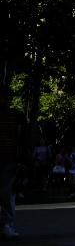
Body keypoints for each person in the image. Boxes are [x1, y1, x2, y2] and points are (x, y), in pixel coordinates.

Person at [0, 91, 23, 240]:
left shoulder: (15, 117)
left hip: (9, 160)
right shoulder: (15, 117)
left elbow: (19, 139)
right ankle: (7, 224)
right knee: (7, 194)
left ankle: (7, 224)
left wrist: (20, 160)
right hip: (9, 159)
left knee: (7, 194)